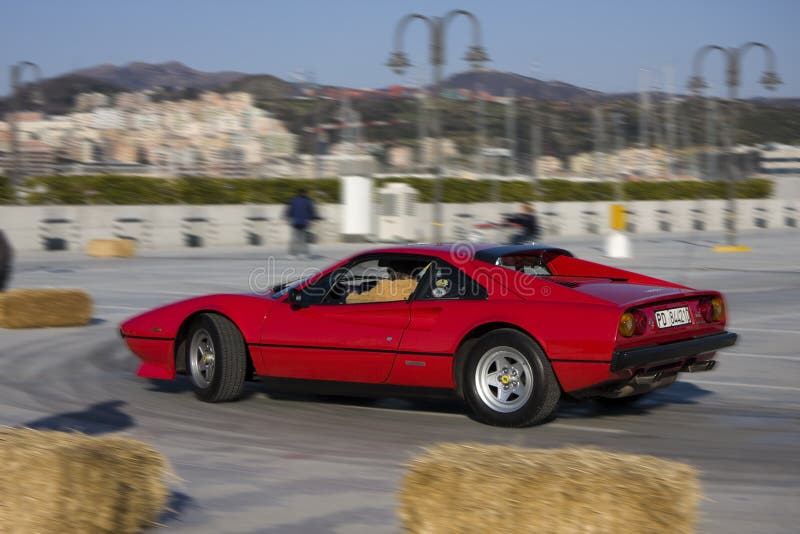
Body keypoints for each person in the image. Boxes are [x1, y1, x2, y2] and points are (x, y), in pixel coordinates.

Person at [284, 189, 319, 258]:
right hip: (304, 222)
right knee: (304, 239)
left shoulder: (293, 200)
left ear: (298, 193)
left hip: (295, 222)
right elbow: (312, 211)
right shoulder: (308, 201)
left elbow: (289, 210)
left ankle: (292, 254)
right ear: (305, 194)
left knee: (294, 238)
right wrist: (314, 219)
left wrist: (287, 218)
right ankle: (304, 254)